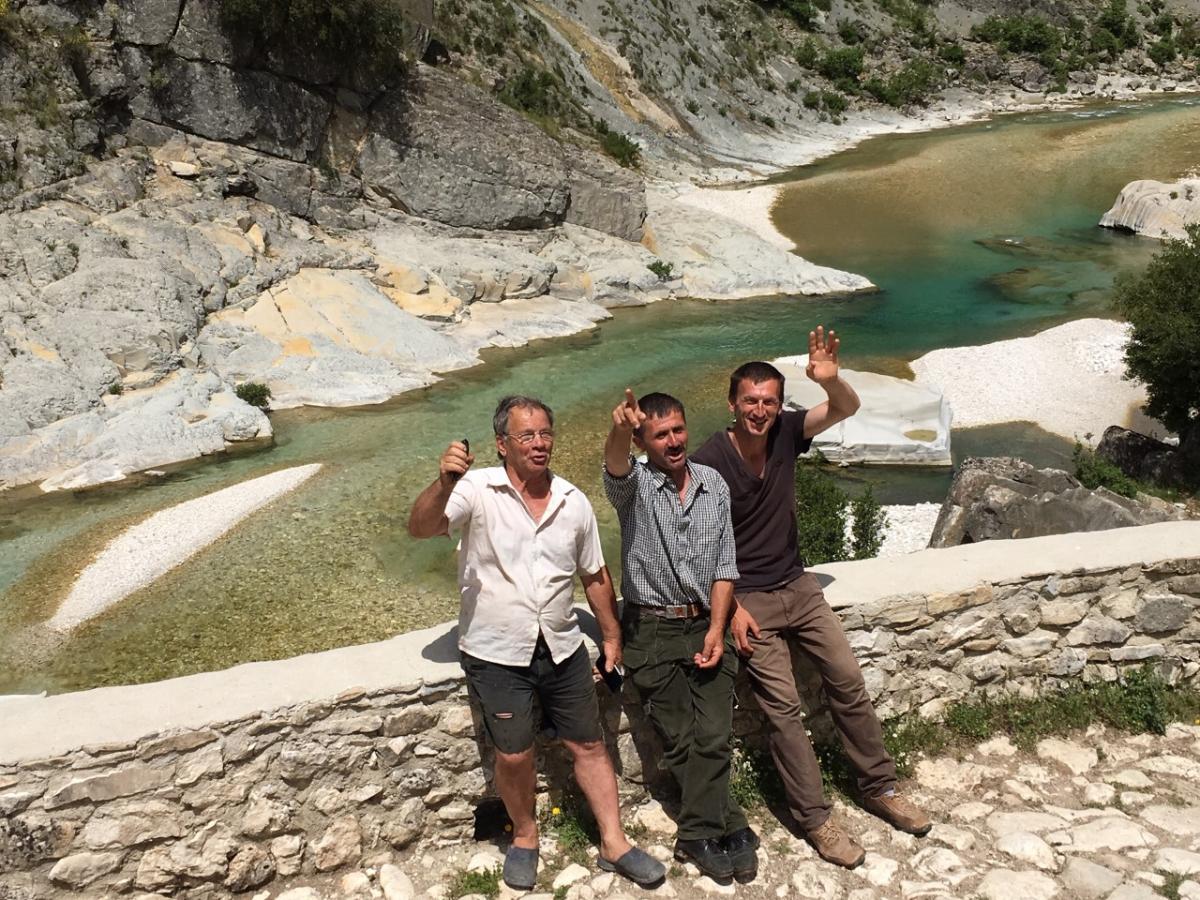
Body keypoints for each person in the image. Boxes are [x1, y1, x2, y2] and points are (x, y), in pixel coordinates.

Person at [690, 326, 932, 869]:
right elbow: (700, 546)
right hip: (749, 599)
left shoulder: (787, 433)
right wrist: (728, 611)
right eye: (750, 401)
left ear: (779, 406)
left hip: (799, 587)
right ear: (732, 403)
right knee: (784, 713)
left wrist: (831, 379)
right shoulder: (709, 461)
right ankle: (816, 818)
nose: (759, 411)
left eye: (769, 402)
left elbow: (843, 409)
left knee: (847, 679)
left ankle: (879, 787)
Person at [408, 395, 664, 891]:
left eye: (545, 433)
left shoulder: (573, 500)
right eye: (527, 436)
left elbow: (594, 574)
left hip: (564, 646)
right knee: (514, 755)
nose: (540, 443)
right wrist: (442, 482)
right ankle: (525, 836)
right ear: (502, 444)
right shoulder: (476, 488)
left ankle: (614, 841)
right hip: (496, 651)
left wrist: (611, 634)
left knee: (590, 744)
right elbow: (421, 528)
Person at [603, 389, 759, 884]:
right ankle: (725, 823)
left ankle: (697, 832)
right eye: (659, 434)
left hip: (704, 624)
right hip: (651, 629)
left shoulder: (712, 483)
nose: (672, 442)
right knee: (684, 739)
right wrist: (618, 432)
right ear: (644, 441)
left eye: (678, 430)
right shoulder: (636, 486)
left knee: (714, 734)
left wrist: (717, 627)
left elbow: (725, 565)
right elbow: (614, 465)